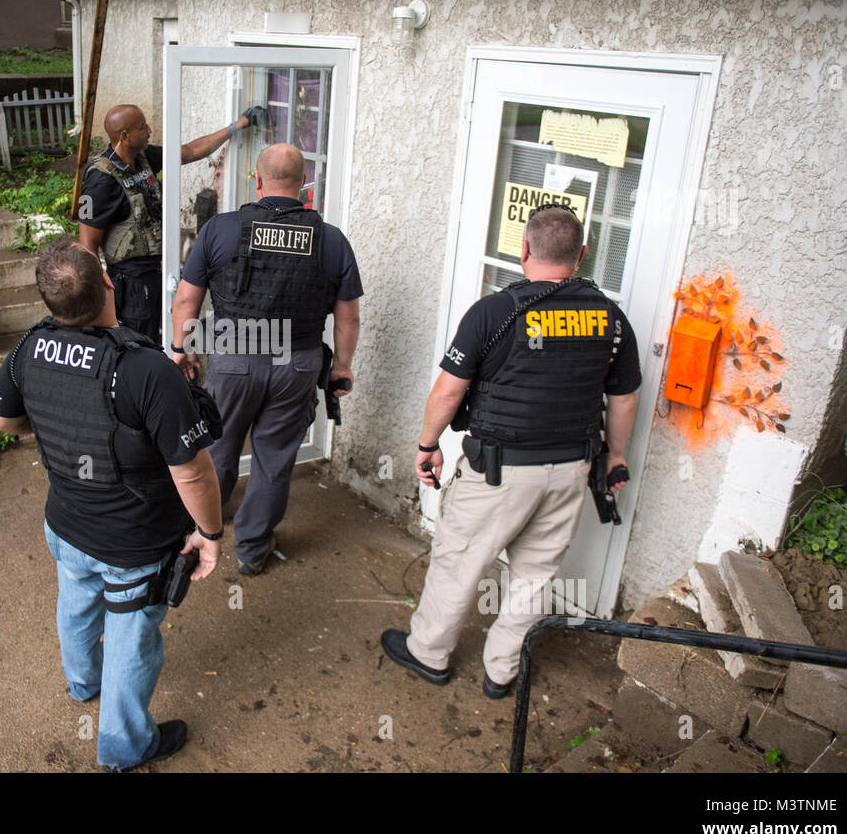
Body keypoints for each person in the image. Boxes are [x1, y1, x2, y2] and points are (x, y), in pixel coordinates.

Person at [381, 203, 641, 699]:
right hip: (571, 469)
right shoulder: (610, 318)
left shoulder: (495, 312)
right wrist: (616, 455)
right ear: (581, 255)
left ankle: (428, 653)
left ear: (523, 250)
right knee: (535, 576)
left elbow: (448, 392)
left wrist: (427, 444)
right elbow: (623, 396)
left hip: (498, 471)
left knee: (460, 563)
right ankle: (502, 671)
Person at [0, 236, 224, 772]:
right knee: (131, 639)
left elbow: (1, 421)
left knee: (75, 600)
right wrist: (209, 535)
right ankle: (124, 747)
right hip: (133, 544)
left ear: (52, 304)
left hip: (66, 526)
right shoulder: (146, 369)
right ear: (110, 285)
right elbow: (191, 470)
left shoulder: (28, 347)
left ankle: (81, 684)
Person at [169, 143, 362, 576]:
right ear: (303, 186)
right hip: (296, 364)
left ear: (257, 182)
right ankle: (253, 550)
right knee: (274, 459)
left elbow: (187, 300)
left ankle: (204, 530)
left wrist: (183, 348)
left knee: (217, 449)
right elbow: (348, 317)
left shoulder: (220, 229)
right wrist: (341, 366)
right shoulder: (331, 240)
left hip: (233, 358)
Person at [78, 103, 266, 344]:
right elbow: (86, 246)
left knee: (160, 337)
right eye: (142, 127)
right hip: (131, 281)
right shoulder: (101, 180)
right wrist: (99, 300)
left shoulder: (143, 157)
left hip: (156, 270)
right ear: (124, 136)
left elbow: (190, 151)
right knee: (138, 344)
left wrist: (235, 126)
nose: (149, 131)